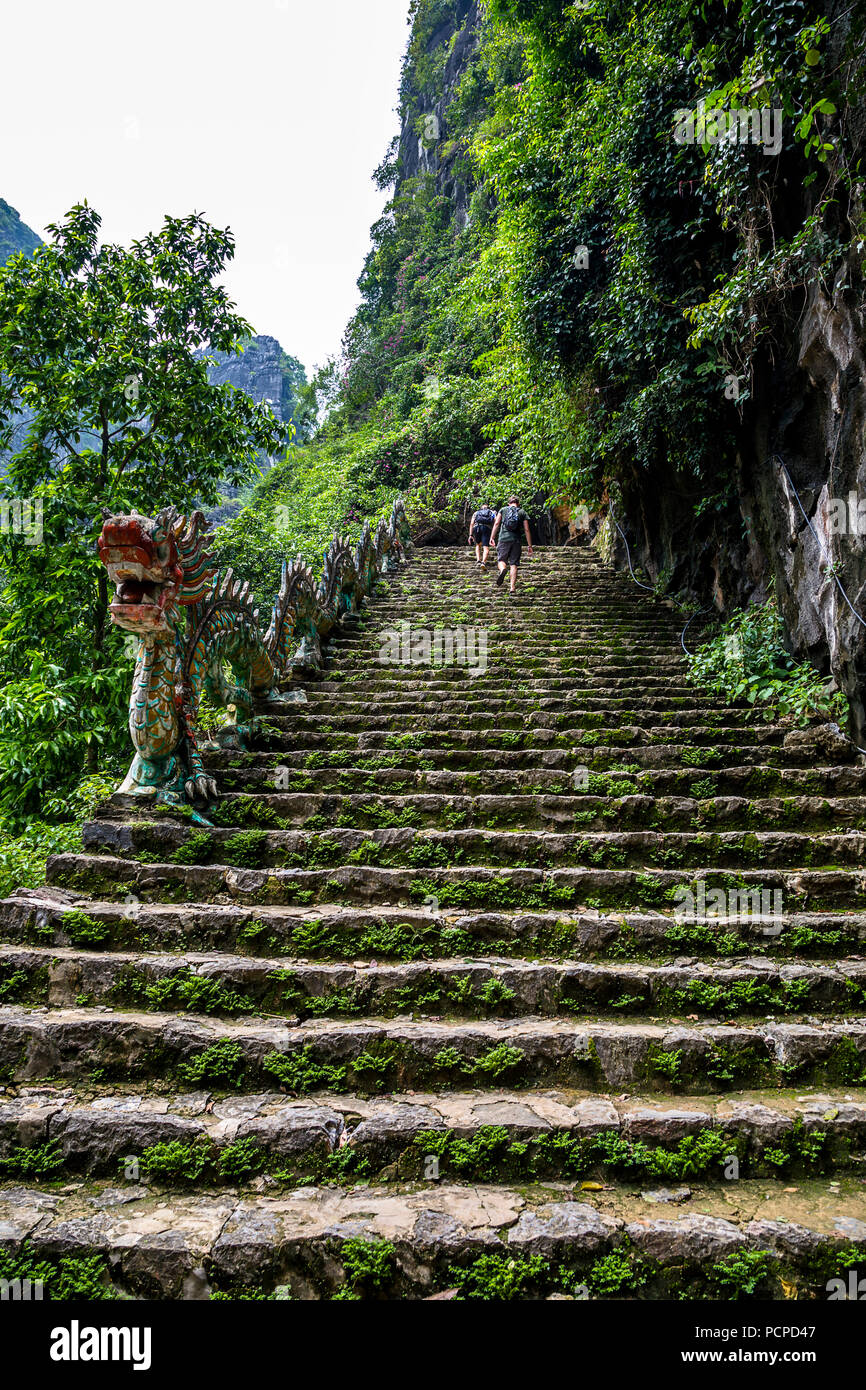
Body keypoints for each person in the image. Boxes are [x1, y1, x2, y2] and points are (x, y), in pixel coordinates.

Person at [490, 495, 533, 592]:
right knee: (514, 564)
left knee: (501, 560)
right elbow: (526, 529)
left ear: (509, 503)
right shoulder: (522, 512)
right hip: (516, 541)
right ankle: (512, 587)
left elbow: (496, 523)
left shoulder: (503, 509)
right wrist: (529, 545)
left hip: (503, 539)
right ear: (518, 504)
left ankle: (503, 570)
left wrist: (492, 537)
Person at [468, 501, 496, 568]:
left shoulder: (476, 512)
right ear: (488, 507)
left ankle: (478, 560)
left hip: (477, 528)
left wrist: (470, 535)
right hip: (487, 528)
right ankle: (483, 562)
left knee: (478, 544)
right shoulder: (492, 512)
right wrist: (493, 533)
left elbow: (472, 523)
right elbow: (496, 522)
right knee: (485, 546)